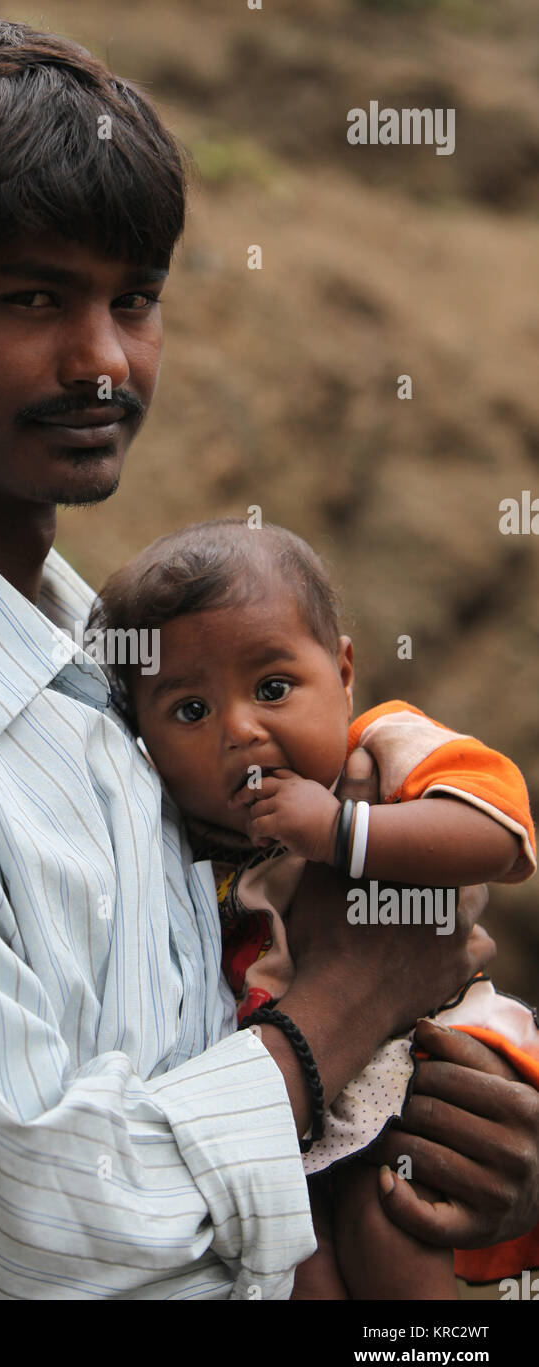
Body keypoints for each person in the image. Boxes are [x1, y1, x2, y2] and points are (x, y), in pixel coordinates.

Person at [0, 19, 539, 1301]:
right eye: (31, 298)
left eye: (131, 300)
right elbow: (27, 1252)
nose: (101, 362)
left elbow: (203, 1109)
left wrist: (448, 1149)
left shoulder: (118, 684)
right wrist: (346, 1010)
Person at [86, 517, 539, 1297]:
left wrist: (342, 832)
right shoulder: (174, 840)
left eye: (273, 689)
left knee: (395, 1227)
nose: (241, 730)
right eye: (189, 712)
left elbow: (498, 837)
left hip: (425, 1061)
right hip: (301, 1105)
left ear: (344, 671)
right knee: (297, 1268)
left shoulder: (385, 749)